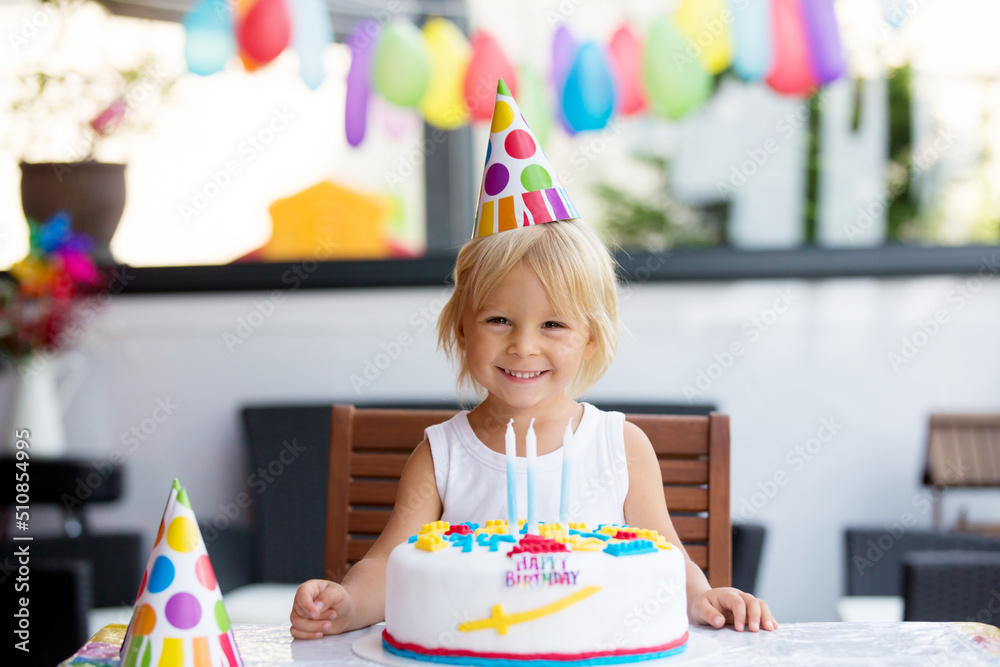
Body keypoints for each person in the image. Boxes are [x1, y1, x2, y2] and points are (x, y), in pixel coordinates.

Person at [290, 82, 777, 641]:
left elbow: (665, 558)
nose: (523, 346)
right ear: (461, 327)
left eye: (553, 325)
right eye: (499, 320)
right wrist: (348, 602)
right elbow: (388, 564)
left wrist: (704, 595)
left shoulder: (619, 447)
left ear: (590, 339)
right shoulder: (441, 454)